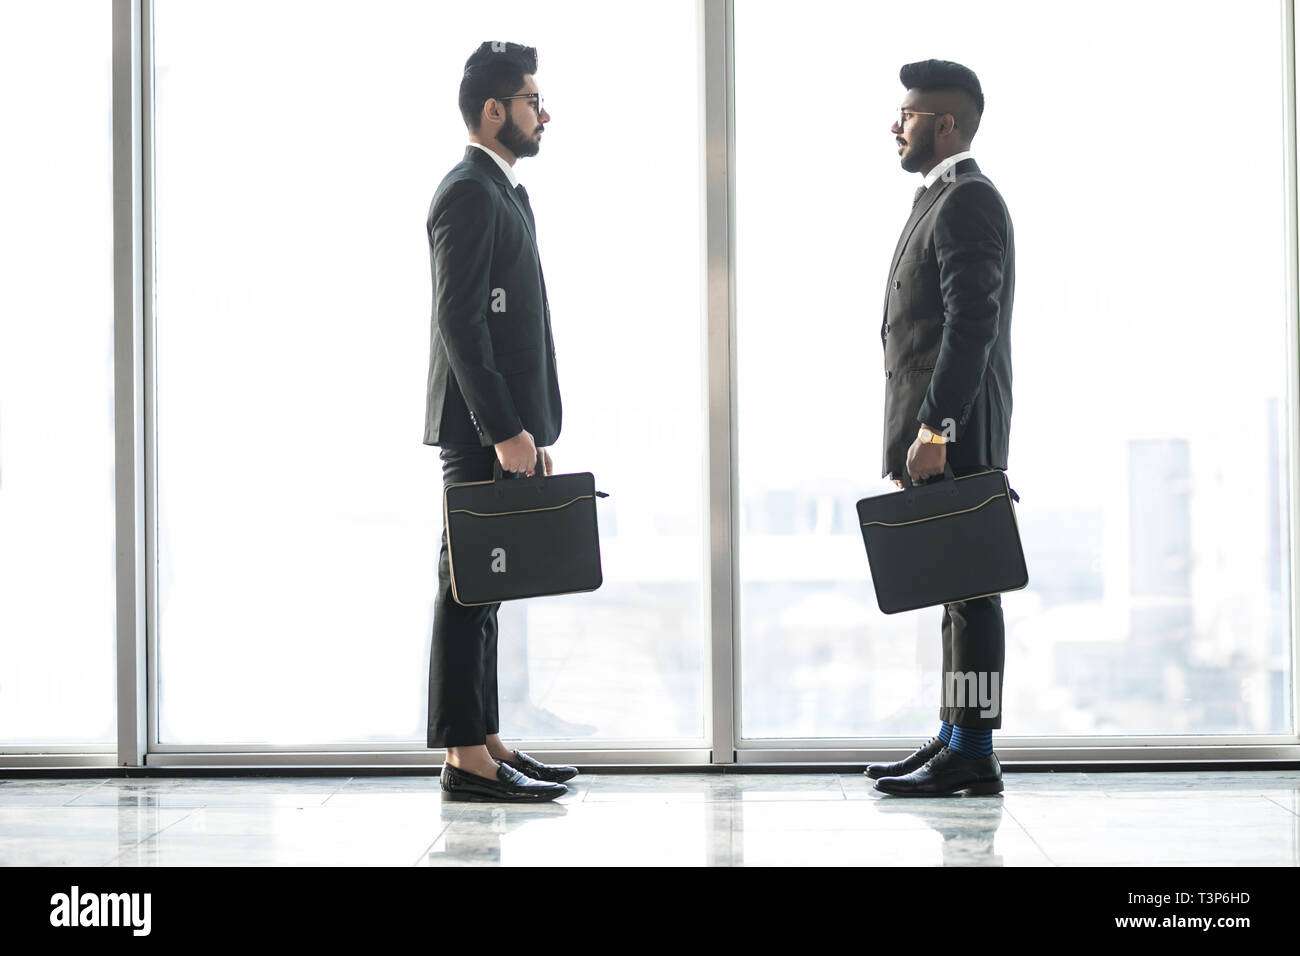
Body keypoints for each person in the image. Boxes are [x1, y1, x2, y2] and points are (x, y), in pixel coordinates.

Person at [423, 41, 576, 802]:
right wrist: (503, 431)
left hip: (505, 426)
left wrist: (529, 431)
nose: (543, 114)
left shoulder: (504, 191)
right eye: (531, 100)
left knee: (486, 588)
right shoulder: (469, 192)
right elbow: (460, 323)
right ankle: (464, 758)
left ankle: (481, 739)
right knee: (466, 588)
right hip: (478, 428)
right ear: (494, 110)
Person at [867, 59, 1015, 796]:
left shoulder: (968, 201)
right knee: (959, 592)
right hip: (936, 431)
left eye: (909, 113)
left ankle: (976, 749)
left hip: (953, 432)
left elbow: (971, 324)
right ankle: (955, 737)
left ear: (946, 123)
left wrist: (937, 430)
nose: (896, 124)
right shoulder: (940, 198)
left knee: (975, 592)